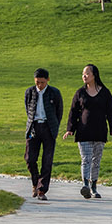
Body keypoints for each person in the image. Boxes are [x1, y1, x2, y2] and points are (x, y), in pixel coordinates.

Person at [65, 63, 112, 199]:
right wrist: (70, 129)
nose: (84, 76)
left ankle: (94, 186)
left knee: (96, 161)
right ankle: (85, 186)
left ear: (94, 75)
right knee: (86, 159)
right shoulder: (80, 93)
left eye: (87, 73)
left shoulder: (105, 92)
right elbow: (73, 112)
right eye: (83, 73)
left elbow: (111, 111)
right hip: (83, 132)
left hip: (99, 132)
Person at [23, 68, 64, 200]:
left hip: (48, 128)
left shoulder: (55, 93)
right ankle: (35, 182)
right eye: (37, 82)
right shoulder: (29, 92)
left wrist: (54, 127)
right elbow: (27, 108)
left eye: (42, 82)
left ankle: (42, 190)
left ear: (48, 80)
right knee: (30, 158)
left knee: (47, 160)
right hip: (34, 127)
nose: (39, 85)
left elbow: (59, 111)